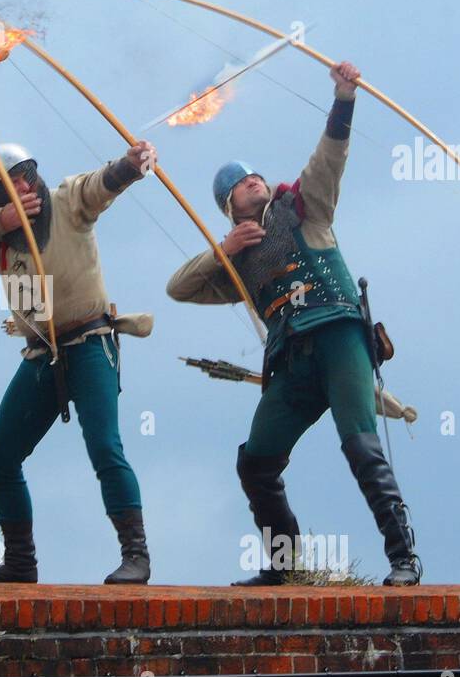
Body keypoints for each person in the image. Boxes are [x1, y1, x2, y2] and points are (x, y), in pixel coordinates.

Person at [166, 62, 421, 587]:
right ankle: (283, 568)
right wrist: (222, 253)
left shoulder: (305, 208)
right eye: (238, 185)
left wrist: (344, 97)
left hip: (338, 337)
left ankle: (403, 559)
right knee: (256, 464)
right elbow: (180, 288)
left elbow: (330, 156)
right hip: (291, 363)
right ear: (229, 209)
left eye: (252, 175)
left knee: (360, 446)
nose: (250, 180)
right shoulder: (236, 263)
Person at [0, 139, 156, 584]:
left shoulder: (68, 198)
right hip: (42, 356)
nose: (19, 185)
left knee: (105, 448)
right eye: (7, 183)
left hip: (91, 342)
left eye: (23, 174)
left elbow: (102, 184)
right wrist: (1, 221)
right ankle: (20, 562)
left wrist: (130, 165)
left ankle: (136, 554)